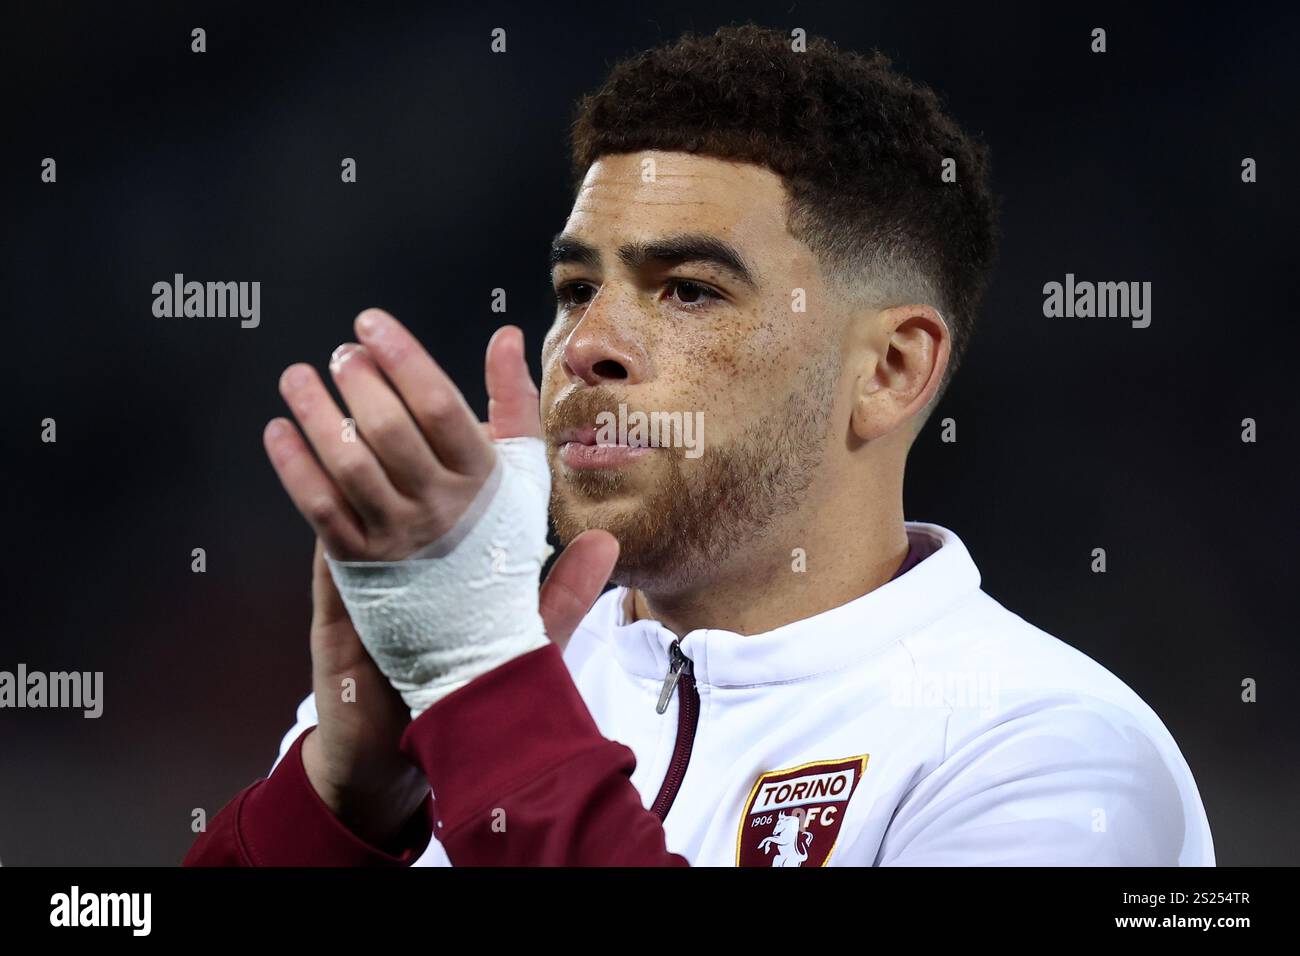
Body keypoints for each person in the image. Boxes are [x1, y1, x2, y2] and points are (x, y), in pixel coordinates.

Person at [185, 25, 1213, 867]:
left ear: (891, 369)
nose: (586, 347)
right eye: (575, 289)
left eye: (688, 290)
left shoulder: (1046, 751)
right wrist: (340, 803)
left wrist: (486, 700)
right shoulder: (475, 688)